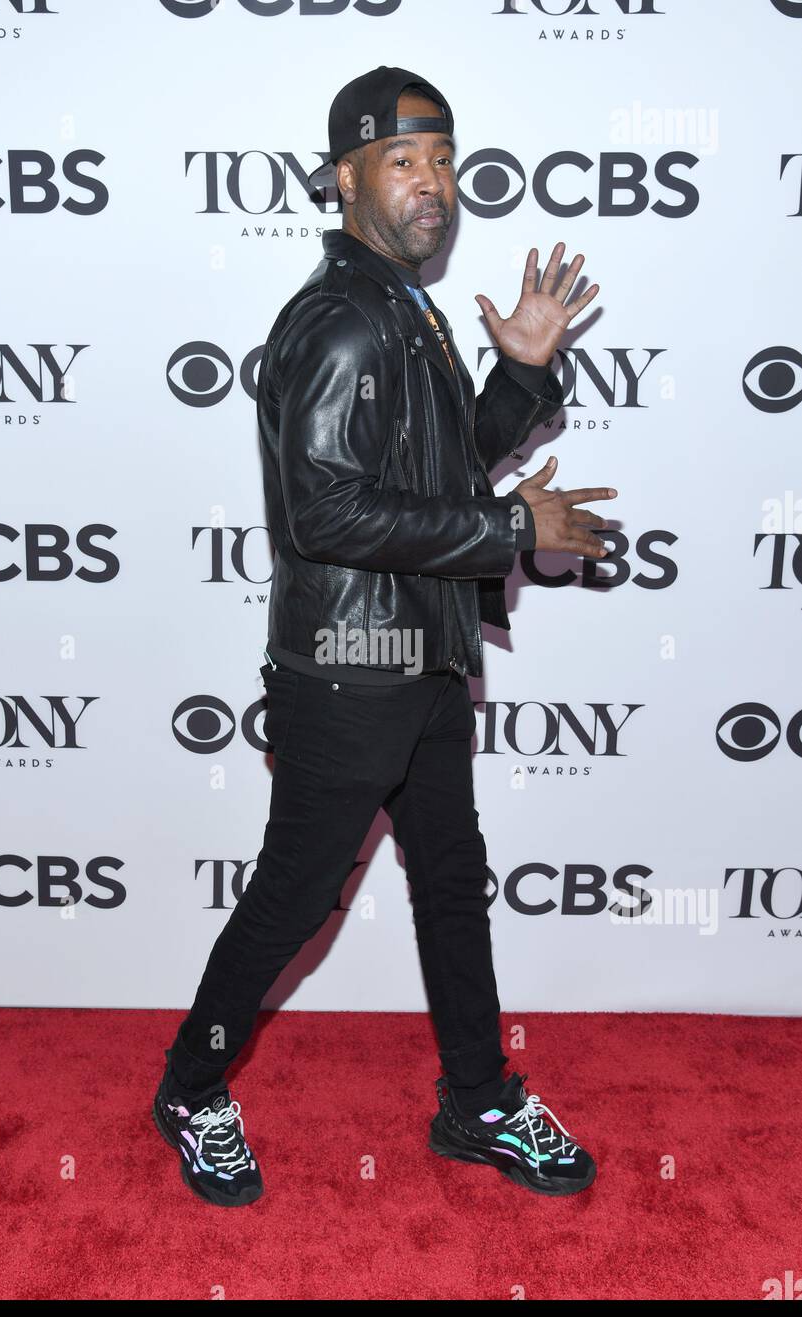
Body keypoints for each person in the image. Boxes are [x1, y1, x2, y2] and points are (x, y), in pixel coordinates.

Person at [152, 66, 617, 1207]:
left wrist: (520, 368)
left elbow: (441, 468)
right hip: (345, 676)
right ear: (346, 175)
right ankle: (190, 1087)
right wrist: (511, 524)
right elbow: (324, 509)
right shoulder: (339, 318)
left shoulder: (403, 306)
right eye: (405, 161)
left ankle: (476, 1101)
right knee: (294, 897)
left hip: (423, 662)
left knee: (452, 881)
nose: (434, 187)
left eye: (445, 161)